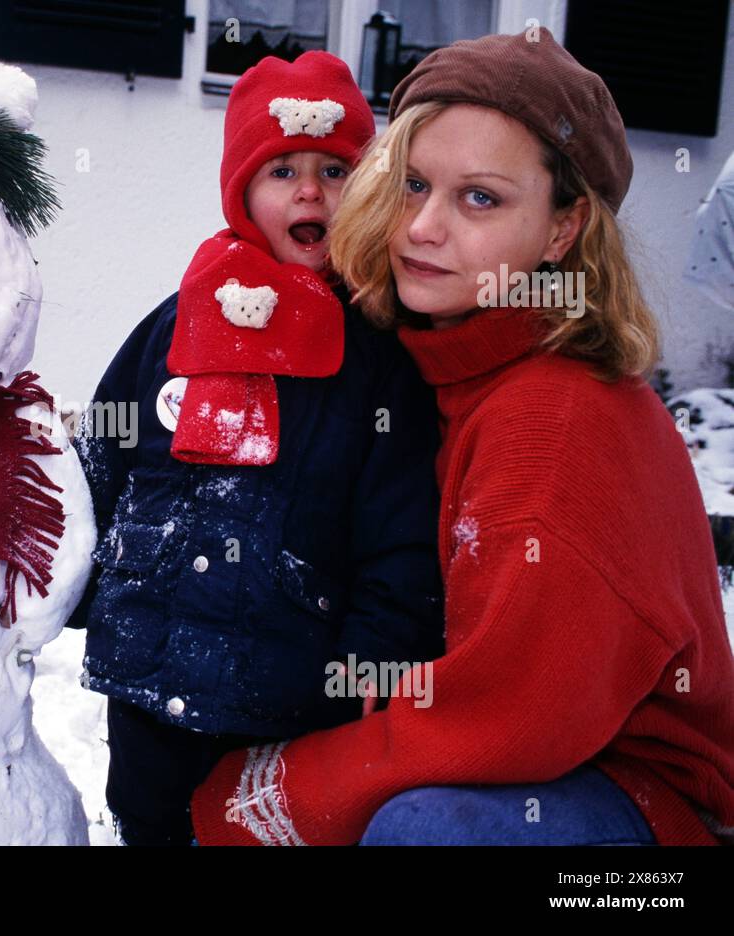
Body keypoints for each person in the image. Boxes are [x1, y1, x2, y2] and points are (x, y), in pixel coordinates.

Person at [189, 27, 734, 846]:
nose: (423, 228)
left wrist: (273, 798)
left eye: (480, 198)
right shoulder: (437, 360)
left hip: (646, 814)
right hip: (546, 763)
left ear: (562, 231)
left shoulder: (553, 420)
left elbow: (506, 716)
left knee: (431, 833)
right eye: (412, 185)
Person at [65, 51, 445, 846]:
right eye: (281, 171)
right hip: (148, 676)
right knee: (150, 827)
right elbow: (103, 455)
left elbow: (402, 543)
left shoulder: (376, 357)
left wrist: (360, 675)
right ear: (242, 194)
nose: (309, 191)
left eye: (334, 171)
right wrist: (61, 580)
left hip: (288, 696)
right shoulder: (177, 324)